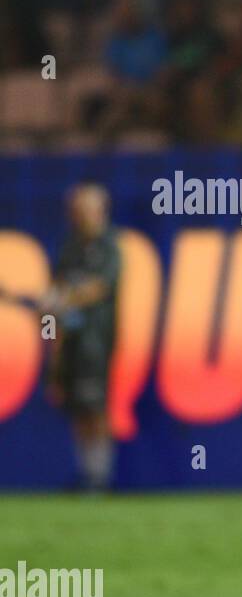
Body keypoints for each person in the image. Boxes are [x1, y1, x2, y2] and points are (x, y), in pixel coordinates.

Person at [42, 184, 121, 492]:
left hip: (96, 342)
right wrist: (49, 310)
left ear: (99, 210)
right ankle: (86, 473)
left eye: (85, 208)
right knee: (76, 407)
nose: (79, 214)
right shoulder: (70, 246)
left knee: (95, 407)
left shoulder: (109, 245)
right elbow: (56, 289)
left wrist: (62, 300)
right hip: (69, 342)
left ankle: (101, 477)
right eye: (76, 208)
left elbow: (99, 287)